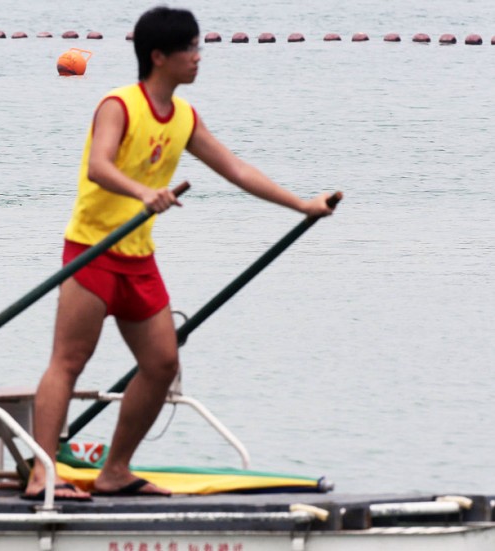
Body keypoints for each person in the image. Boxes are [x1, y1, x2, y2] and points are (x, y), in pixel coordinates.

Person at [23, 6, 336, 501]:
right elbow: (99, 166)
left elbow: (235, 169)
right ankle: (42, 475)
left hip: (139, 257)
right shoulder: (119, 105)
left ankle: (114, 471)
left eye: (197, 47)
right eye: (190, 48)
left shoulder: (185, 117)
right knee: (69, 361)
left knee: (163, 364)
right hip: (92, 250)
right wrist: (143, 193)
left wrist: (301, 205)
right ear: (158, 56)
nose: (198, 56)